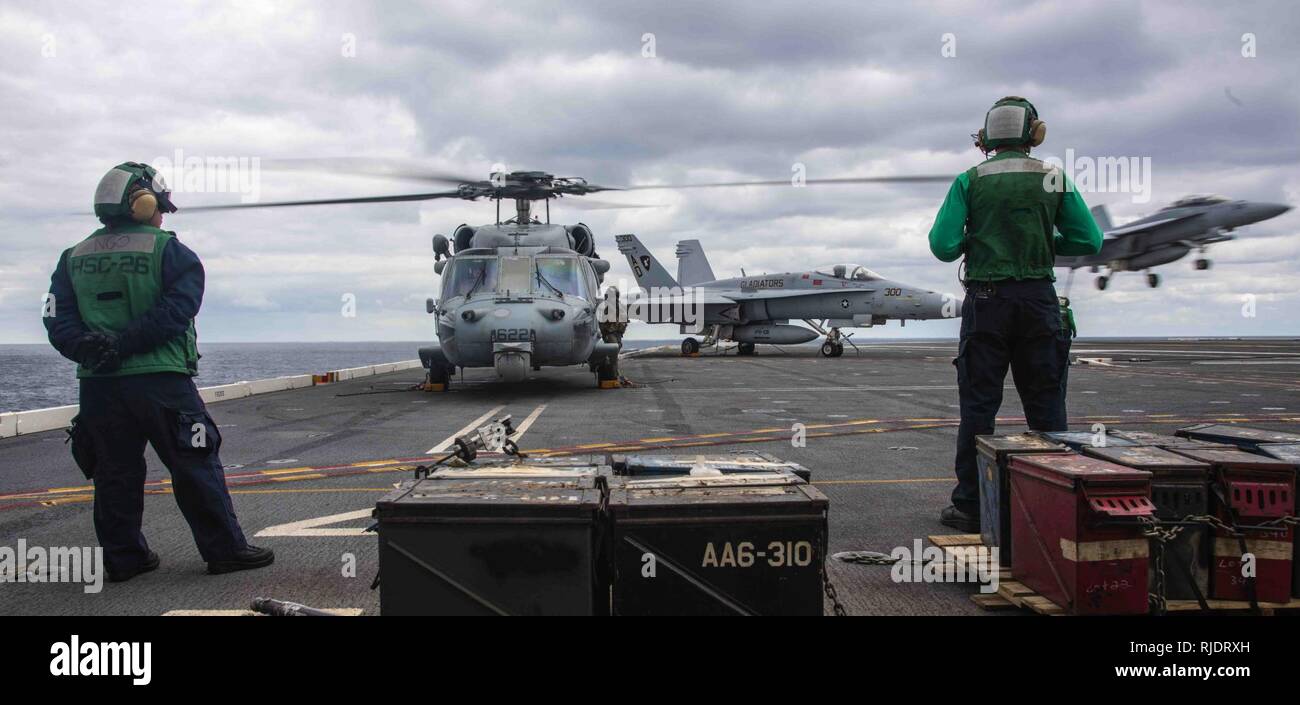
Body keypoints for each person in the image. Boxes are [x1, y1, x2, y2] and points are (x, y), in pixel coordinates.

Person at [44, 162, 273, 581]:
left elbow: (56, 320)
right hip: (161, 380)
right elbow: (177, 311)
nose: (162, 216)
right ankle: (225, 550)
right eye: (160, 207)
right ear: (142, 203)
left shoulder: (72, 257)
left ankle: (124, 559)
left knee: (113, 473)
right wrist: (125, 344)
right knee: (195, 462)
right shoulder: (170, 251)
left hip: (99, 386)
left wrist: (90, 347)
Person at [927, 98, 1103, 532]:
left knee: (978, 409)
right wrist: (1042, 243)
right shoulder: (1053, 177)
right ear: (1034, 134)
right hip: (1039, 302)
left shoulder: (970, 180)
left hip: (987, 304)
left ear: (985, 137)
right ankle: (1057, 507)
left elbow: (942, 245)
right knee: (1047, 409)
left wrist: (980, 241)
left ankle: (969, 507)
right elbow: (1089, 240)